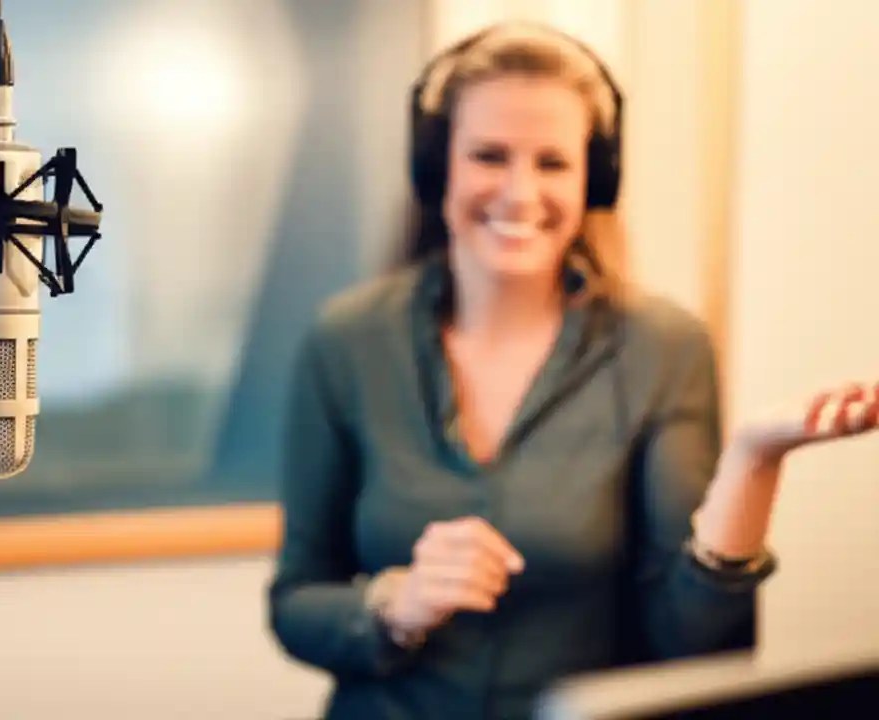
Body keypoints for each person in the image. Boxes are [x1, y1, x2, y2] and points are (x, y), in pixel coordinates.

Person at [266, 20, 879, 720]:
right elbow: (296, 602)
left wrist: (754, 459)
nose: (521, 193)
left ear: (596, 177)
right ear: (438, 169)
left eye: (552, 162)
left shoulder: (663, 349)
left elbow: (700, 645)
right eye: (490, 155)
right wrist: (395, 605)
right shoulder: (346, 341)